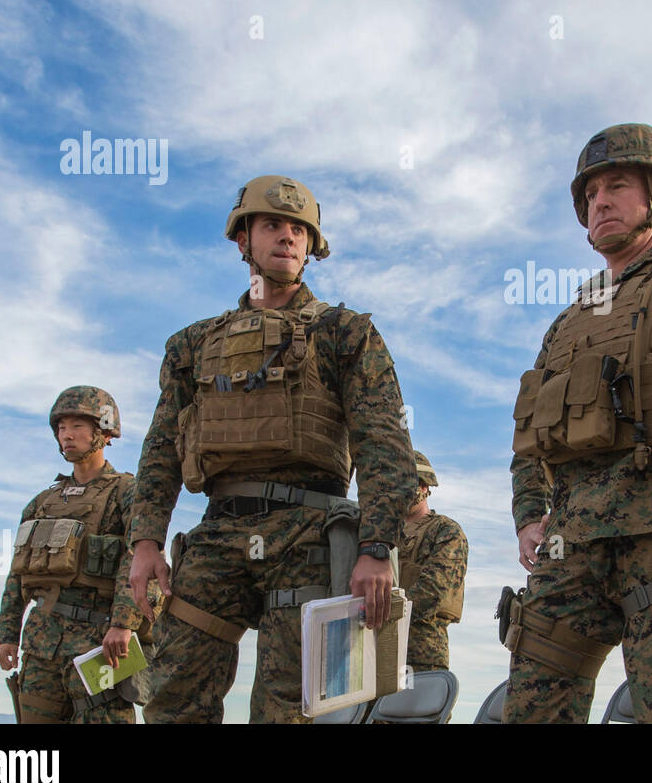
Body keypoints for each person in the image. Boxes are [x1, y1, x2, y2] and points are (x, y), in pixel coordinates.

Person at [127, 175, 416, 723]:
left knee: (291, 710)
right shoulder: (192, 345)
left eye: (298, 230)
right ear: (243, 241)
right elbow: (161, 447)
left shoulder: (344, 332)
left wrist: (377, 549)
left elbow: (386, 445)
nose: (287, 237)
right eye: (272, 225)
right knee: (170, 698)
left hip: (308, 534)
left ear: (311, 247)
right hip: (218, 534)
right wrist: (145, 542)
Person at [504, 124, 652, 723]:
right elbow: (530, 424)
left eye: (617, 186)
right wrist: (530, 514)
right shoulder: (570, 318)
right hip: (573, 538)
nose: (598, 201)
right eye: (590, 194)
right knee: (532, 707)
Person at [0, 386, 146, 723]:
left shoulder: (128, 492)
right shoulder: (42, 502)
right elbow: (17, 574)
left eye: (77, 426)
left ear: (104, 431)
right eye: (61, 428)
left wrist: (123, 624)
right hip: (41, 642)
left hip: (99, 641)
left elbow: (139, 559)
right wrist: (7, 636)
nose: (67, 435)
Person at [397, 450, 468, 674]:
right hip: (372, 651)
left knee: (420, 709)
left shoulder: (446, 531)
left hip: (421, 654)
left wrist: (379, 615)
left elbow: (432, 591)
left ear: (424, 486)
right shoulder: (379, 534)